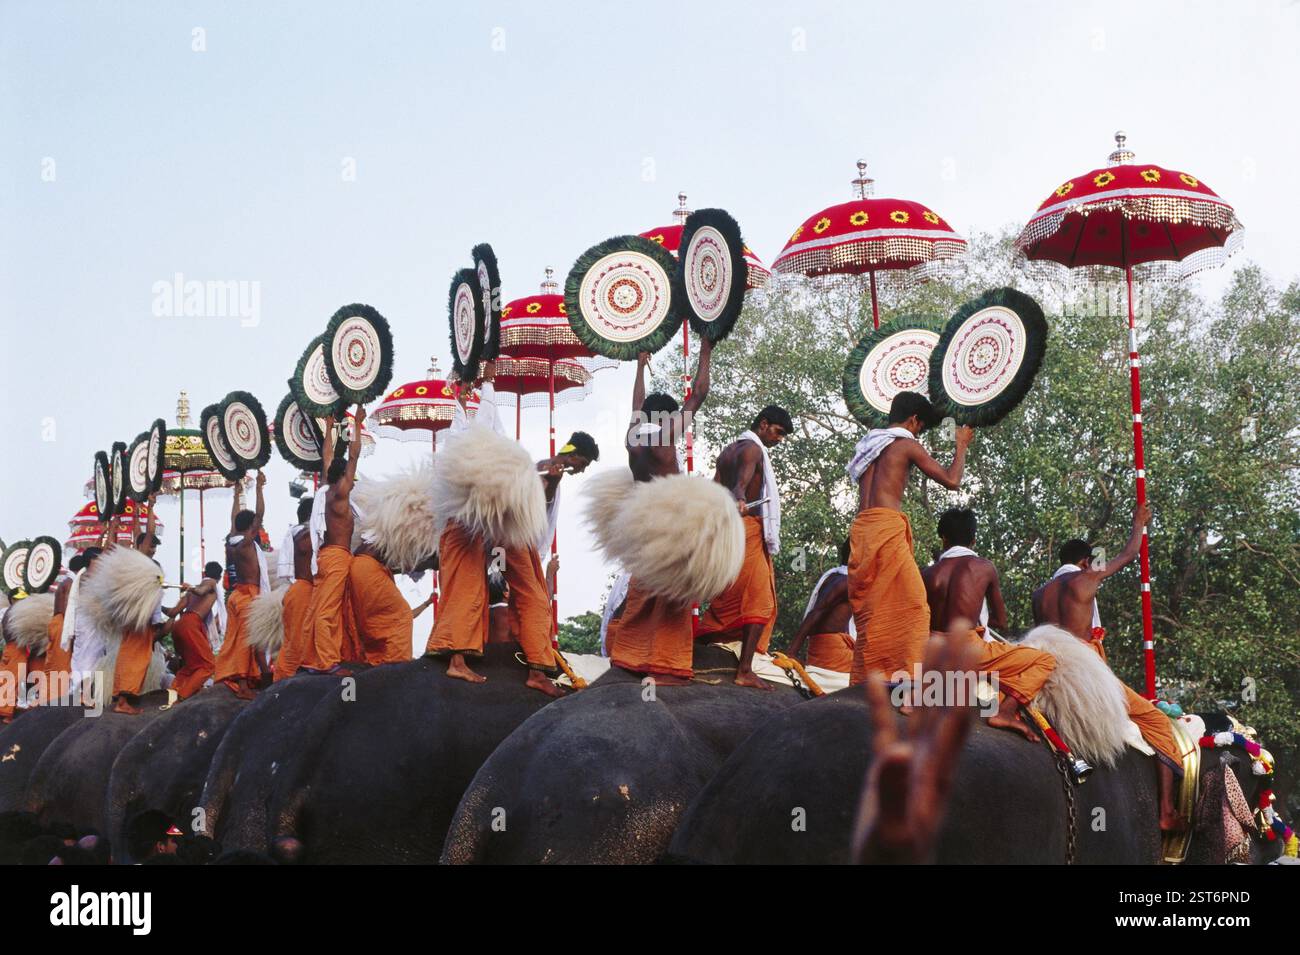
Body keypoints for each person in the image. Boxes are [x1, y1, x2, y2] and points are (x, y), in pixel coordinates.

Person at [1031, 503, 1184, 831]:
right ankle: (1167, 811)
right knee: (1157, 721)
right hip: (1083, 671)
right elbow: (1129, 554)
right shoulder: (1087, 579)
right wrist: (1138, 524)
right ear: (1085, 562)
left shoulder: (1038, 594)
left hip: (1042, 671)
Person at [425, 362, 568, 696]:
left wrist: (482, 384)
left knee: (528, 587)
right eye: (462, 387)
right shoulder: (462, 429)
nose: (465, 389)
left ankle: (535, 669)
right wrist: (487, 382)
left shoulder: (475, 427)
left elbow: (491, 434)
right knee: (468, 583)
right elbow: (484, 428)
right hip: (470, 514)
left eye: (465, 386)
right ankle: (460, 662)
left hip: (502, 511)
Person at [844, 391, 972, 685]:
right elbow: (952, 481)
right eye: (921, 427)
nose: (920, 433)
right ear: (914, 420)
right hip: (886, 528)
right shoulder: (905, 445)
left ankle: (867, 680)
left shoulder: (870, 444)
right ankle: (909, 685)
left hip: (862, 529)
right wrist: (961, 445)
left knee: (871, 612)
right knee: (915, 608)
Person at [605, 341, 713, 685]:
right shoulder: (666, 435)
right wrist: (706, 349)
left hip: (640, 526)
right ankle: (667, 666)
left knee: (642, 589)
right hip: (668, 526)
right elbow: (698, 394)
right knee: (675, 595)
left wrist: (639, 366)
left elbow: (636, 404)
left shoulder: (633, 437)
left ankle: (628, 656)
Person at [921, 508, 1056, 741]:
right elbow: (1001, 622)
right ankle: (1005, 712)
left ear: (943, 539)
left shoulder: (927, 573)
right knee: (1046, 660)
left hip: (932, 651)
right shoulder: (984, 567)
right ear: (973, 540)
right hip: (969, 650)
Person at [696, 405, 791, 688]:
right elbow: (741, 483)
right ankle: (745, 670)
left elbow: (714, 488)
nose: (779, 439)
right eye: (779, 432)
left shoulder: (728, 451)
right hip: (746, 528)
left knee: (727, 596)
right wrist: (738, 499)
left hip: (729, 531)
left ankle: (708, 648)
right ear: (764, 424)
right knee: (760, 599)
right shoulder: (752, 449)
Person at [300, 408, 364, 675]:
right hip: (336, 557)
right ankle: (327, 663)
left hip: (325, 557)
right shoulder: (341, 492)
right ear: (345, 477)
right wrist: (357, 424)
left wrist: (329, 428)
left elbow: (327, 456)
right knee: (328, 610)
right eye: (349, 475)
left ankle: (315, 658)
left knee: (319, 608)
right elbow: (354, 455)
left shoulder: (326, 488)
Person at [212, 471, 269, 698]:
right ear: (251, 527)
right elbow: (260, 515)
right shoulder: (246, 543)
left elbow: (233, 521)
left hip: (236, 597)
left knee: (236, 641)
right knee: (245, 643)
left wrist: (237, 493)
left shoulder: (231, 543)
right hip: (248, 597)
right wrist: (259, 489)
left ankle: (256, 678)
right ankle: (244, 687)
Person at [787, 540, 855, 673]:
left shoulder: (835, 576)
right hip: (833, 652)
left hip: (825, 648)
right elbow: (816, 612)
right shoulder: (844, 583)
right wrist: (791, 653)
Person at [164, 562, 221, 699]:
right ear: (219, 576)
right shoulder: (212, 583)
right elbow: (201, 591)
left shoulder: (192, 591)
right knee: (208, 665)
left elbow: (172, 612)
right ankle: (182, 696)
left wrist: (157, 606)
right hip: (191, 625)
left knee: (191, 666)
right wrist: (190, 588)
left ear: (204, 573)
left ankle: (173, 694)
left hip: (179, 625)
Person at [273, 498, 315, 681]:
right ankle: (282, 682)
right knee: (296, 643)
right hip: (301, 592)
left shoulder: (298, 533)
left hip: (298, 592)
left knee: (296, 641)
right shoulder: (304, 535)